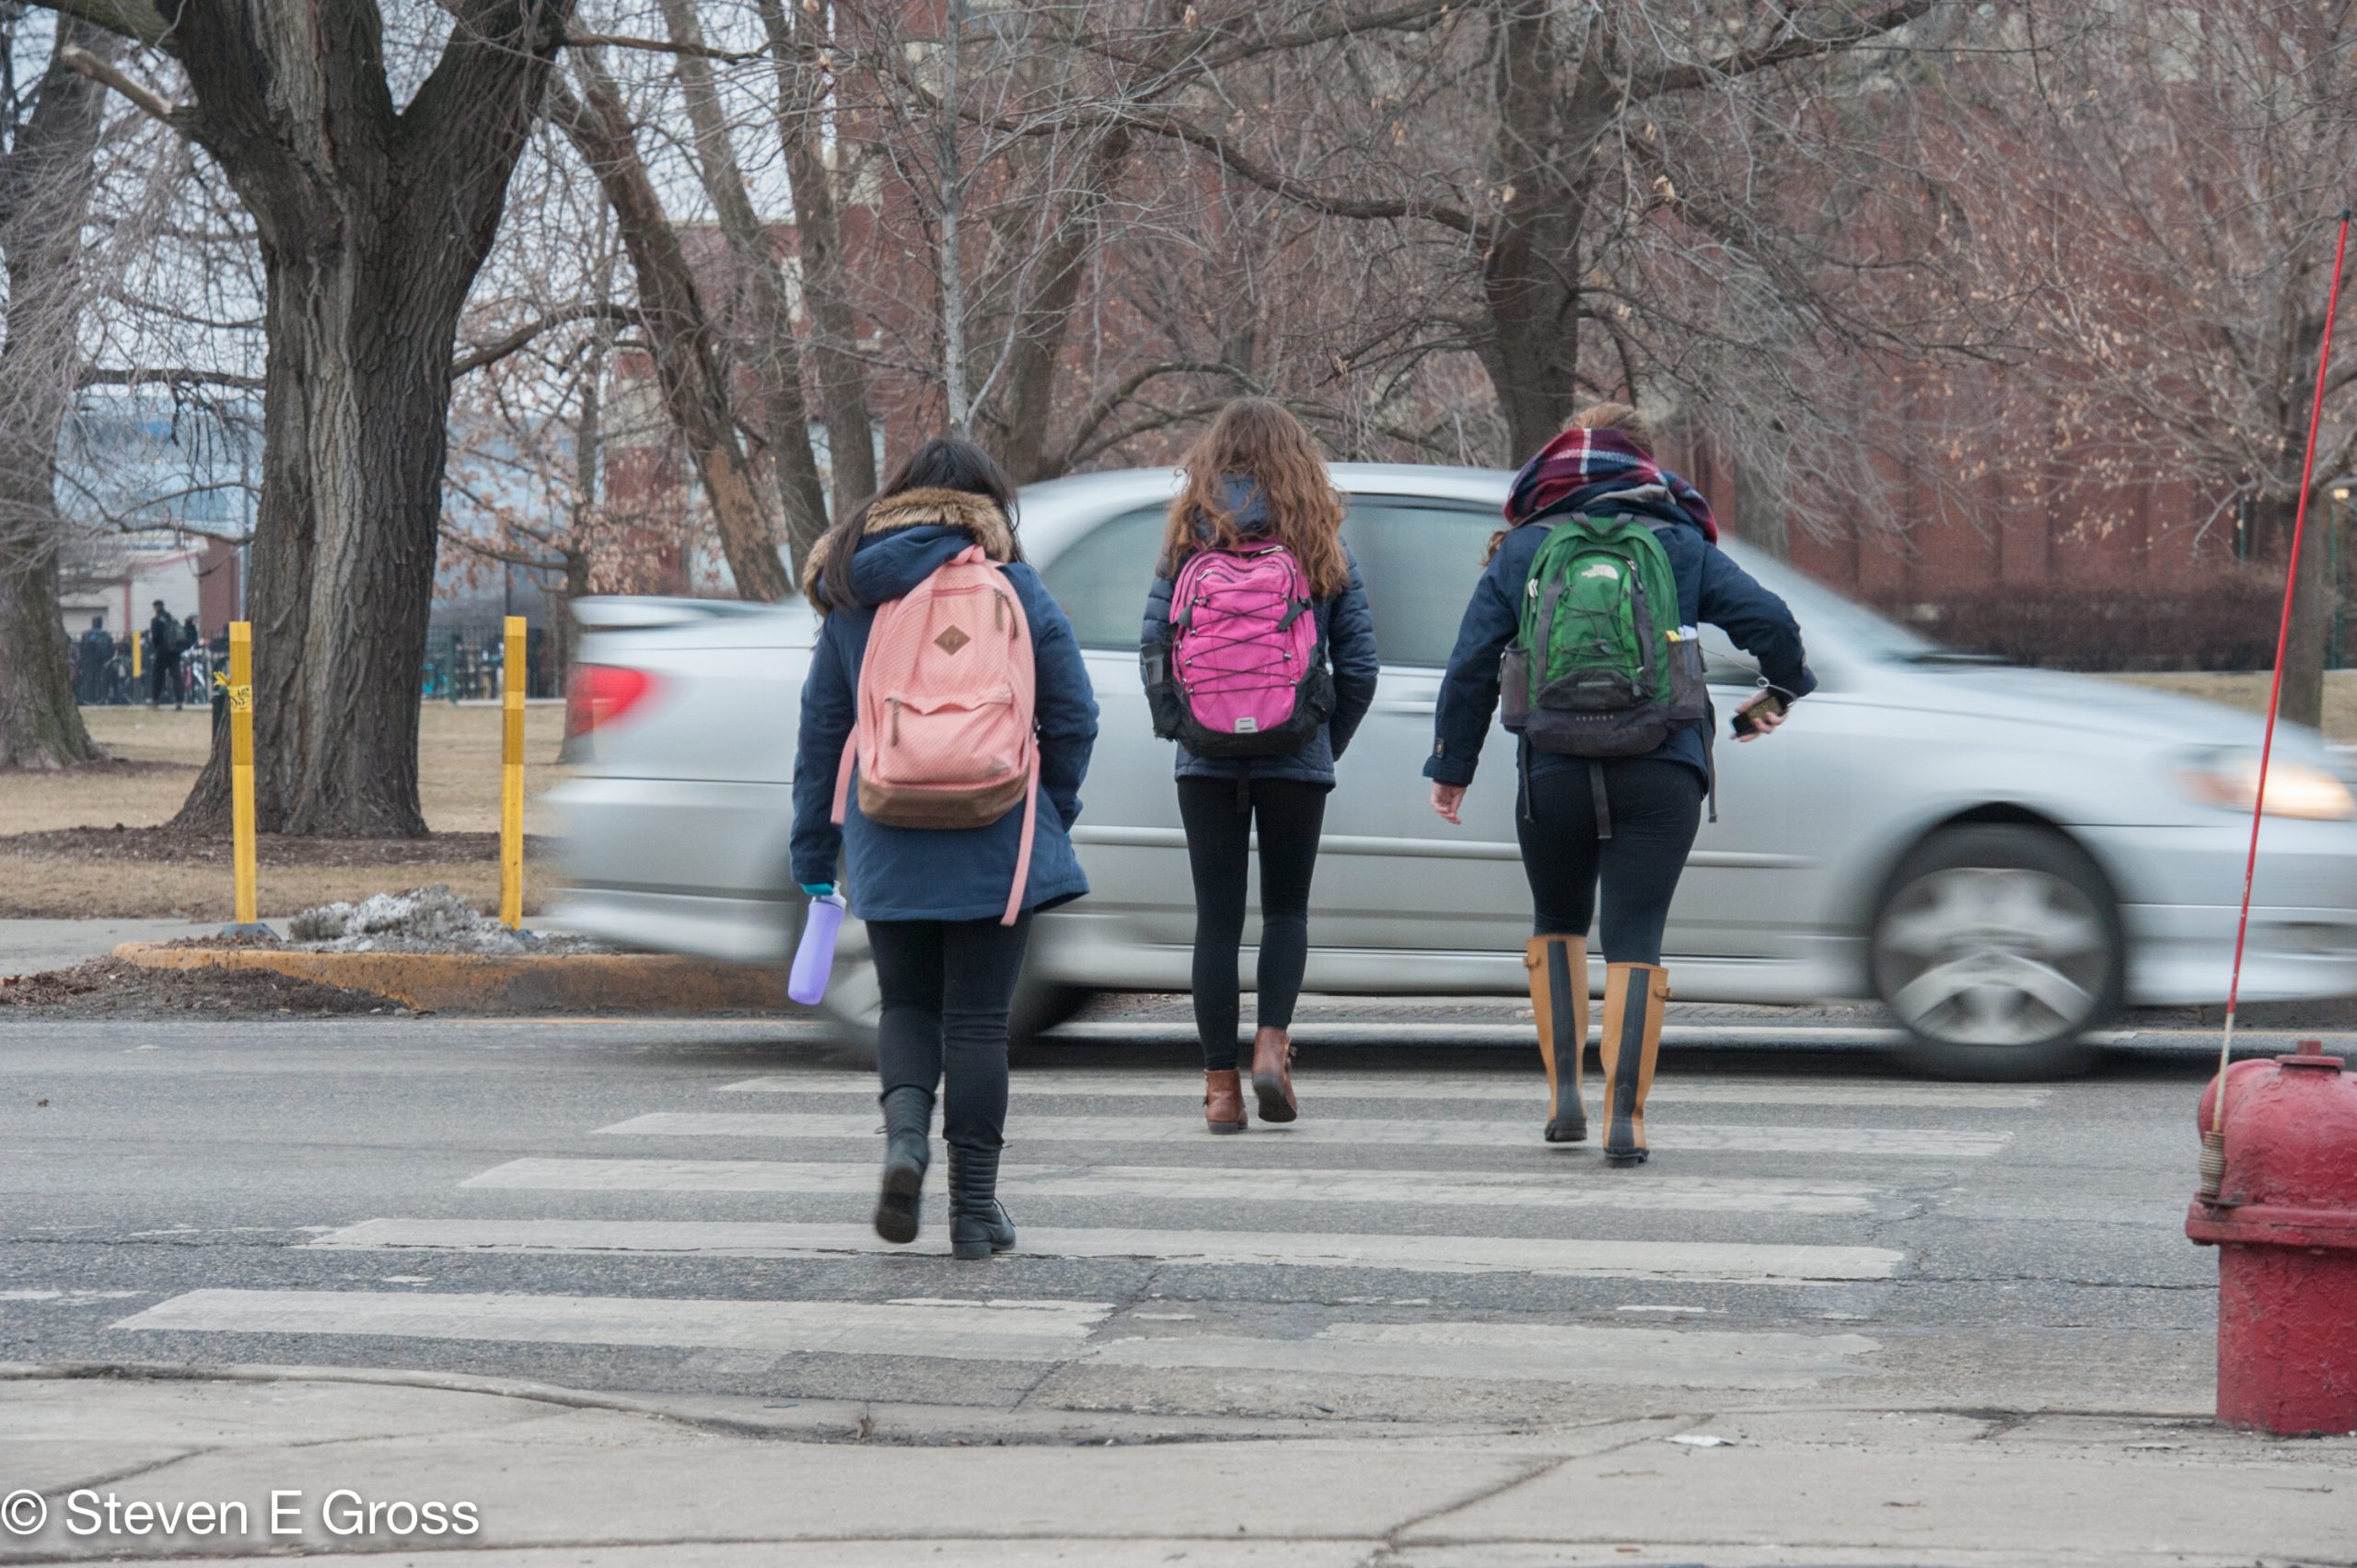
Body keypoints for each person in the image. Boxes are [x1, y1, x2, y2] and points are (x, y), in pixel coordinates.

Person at [1426, 403, 1814, 1166]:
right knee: (1635, 933)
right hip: (1661, 765)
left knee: (1558, 919)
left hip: (1552, 769)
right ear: (1643, 462)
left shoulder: (1525, 547)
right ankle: (1625, 1119)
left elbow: (1471, 665)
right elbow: (1769, 620)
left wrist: (1452, 767)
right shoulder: (1677, 542)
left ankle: (1564, 1095)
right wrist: (1784, 687)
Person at [790, 438, 1098, 1259]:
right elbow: (1076, 715)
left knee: (908, 1007)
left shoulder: (853, 594)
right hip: (997, 833)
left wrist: (815, 852)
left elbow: (824, 732)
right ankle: (973, 1212)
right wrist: (1046, 813)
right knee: (979, 1021)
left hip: (888, 831)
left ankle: (904, 1144)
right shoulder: (1015, 587)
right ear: (986, 507)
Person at [1139, 400, 1378, 1133]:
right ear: (1296, 462)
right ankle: (1271, 1048)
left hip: (1204, 758)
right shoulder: (1317, 539)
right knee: (1284, 909)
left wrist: (1186, 731)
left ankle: (1219, 1089)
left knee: (1216, 919)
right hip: (1293, 753)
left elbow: (1153, 654)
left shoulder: (1186, 540)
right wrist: (1317, 747)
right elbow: (1361, 666)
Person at [145, 600, 178, 707]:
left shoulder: (156, 620)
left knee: (158, 675)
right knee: (176, 675)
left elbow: (155, 637)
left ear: (156, 607)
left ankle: (156, 698)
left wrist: (156, 647)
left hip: (162, 650)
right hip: (174, 650)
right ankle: (179, 699)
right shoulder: (171, 618)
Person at [76, 617, 111, 704]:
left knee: (88, 681)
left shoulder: (86, 635)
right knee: (101, 680)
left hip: (88, 662)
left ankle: (88, 699)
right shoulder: (106, 635)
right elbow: (111, 649)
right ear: (101, 624)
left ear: (92, 623)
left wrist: (80, 664)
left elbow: (81, 650)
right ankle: (101, 699)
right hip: (102, 662)